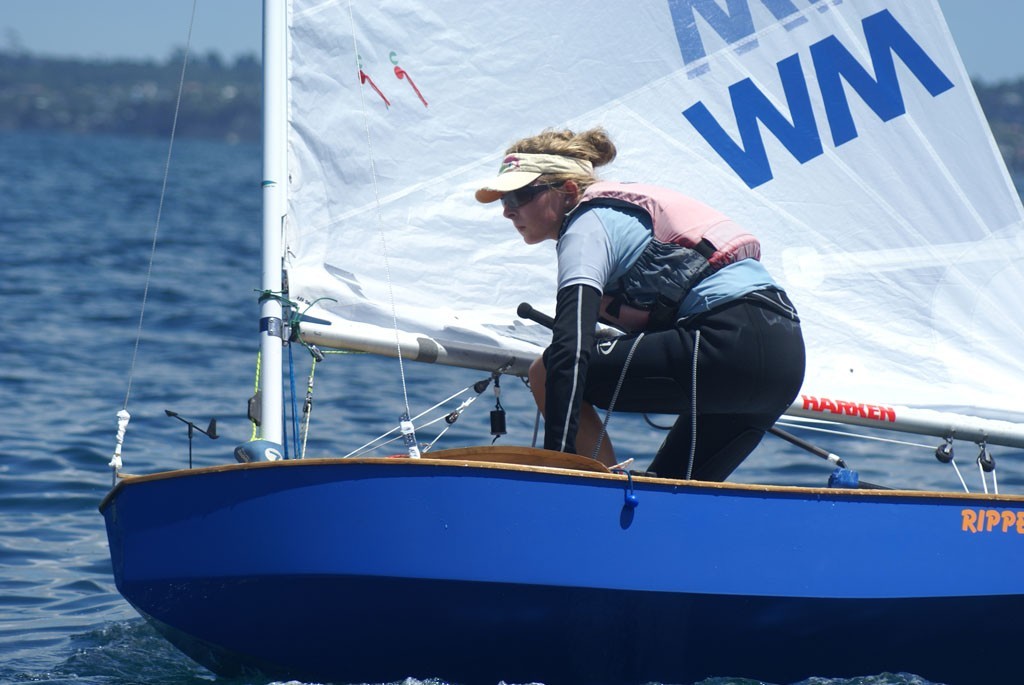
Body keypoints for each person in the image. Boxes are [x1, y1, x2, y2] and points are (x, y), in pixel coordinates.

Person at [475, 127, 805, 481]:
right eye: (502, 200)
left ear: (568, 191)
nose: (507, 212)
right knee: (668, 495)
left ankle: (590, 485)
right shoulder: (624, 216)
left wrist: (560, 465)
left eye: (520, 196)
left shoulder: (586, 225)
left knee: (546, 370)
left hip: (724, 347)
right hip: (784, 362)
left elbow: (570, 352)